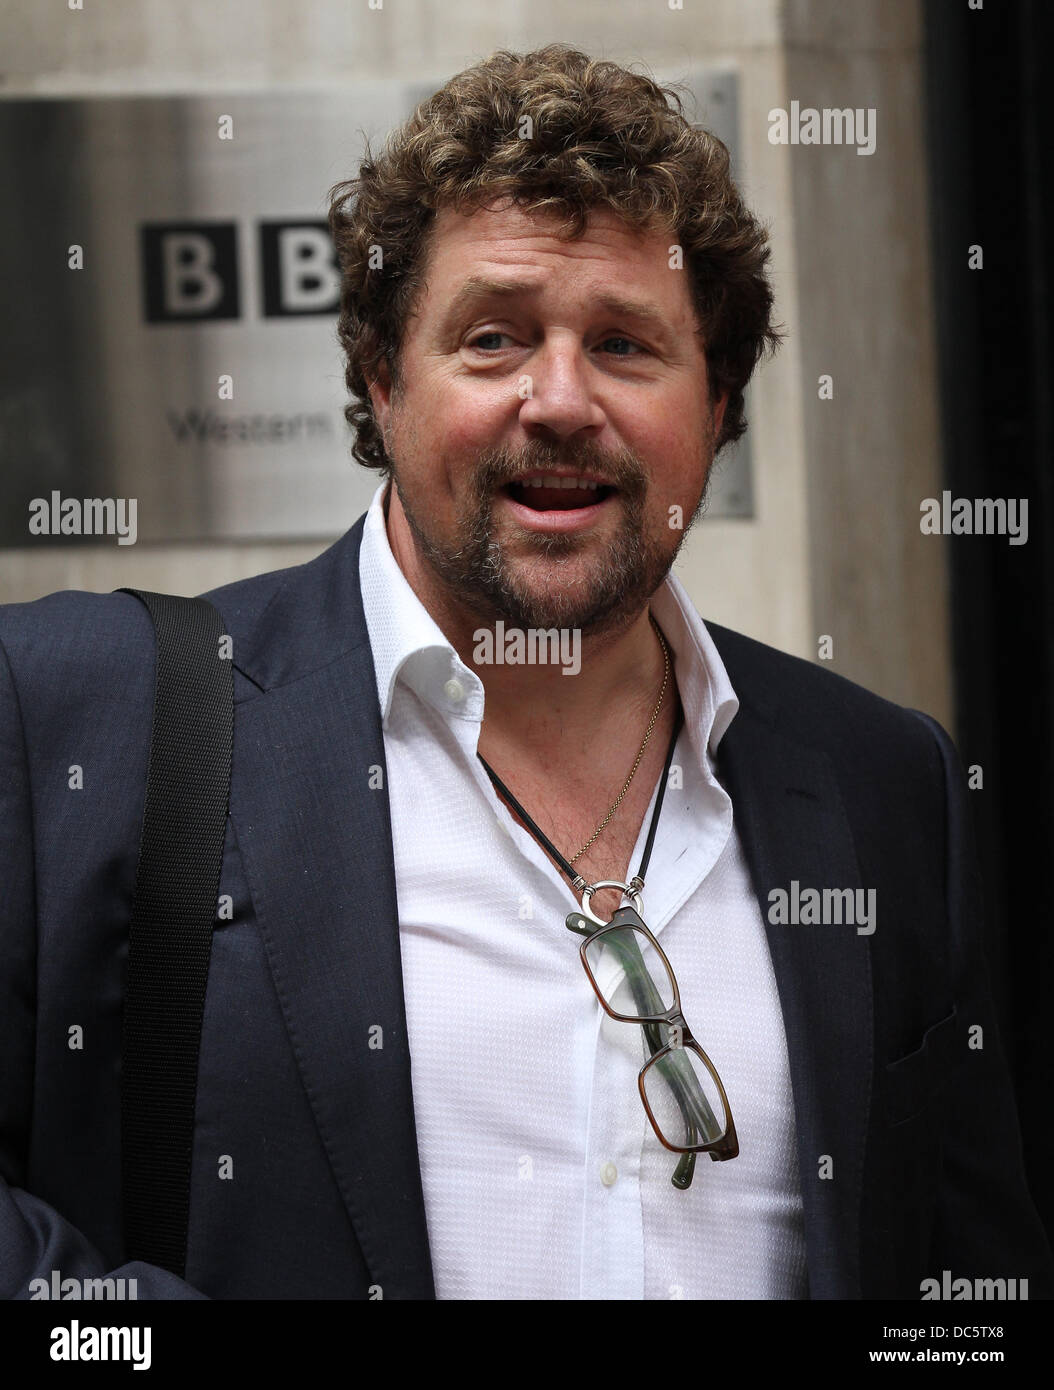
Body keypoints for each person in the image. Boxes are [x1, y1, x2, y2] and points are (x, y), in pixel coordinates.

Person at [1, 44, 1050, 1302]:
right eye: (493, 338)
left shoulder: (885, 781)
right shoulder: (82, 707)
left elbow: (967, 1288)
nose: (560, 401)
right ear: (383, 380)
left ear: (716, 402)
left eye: (624, 345)